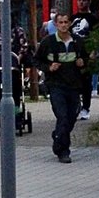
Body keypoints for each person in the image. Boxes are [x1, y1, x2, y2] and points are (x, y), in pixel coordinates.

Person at [36, 12, 88, 163]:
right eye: (61, 22)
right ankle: (63, 150)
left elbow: (86, 58)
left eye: (66, 22)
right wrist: (48, 67)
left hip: (73, 85)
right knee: (62, 116)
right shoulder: (48, 42)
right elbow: (36, 60)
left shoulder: (77, 42)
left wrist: (82, 62)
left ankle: (58, 135)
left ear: (70, 24)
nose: (64, 25)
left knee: (71, 117)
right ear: (56, 24)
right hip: (56, 85)